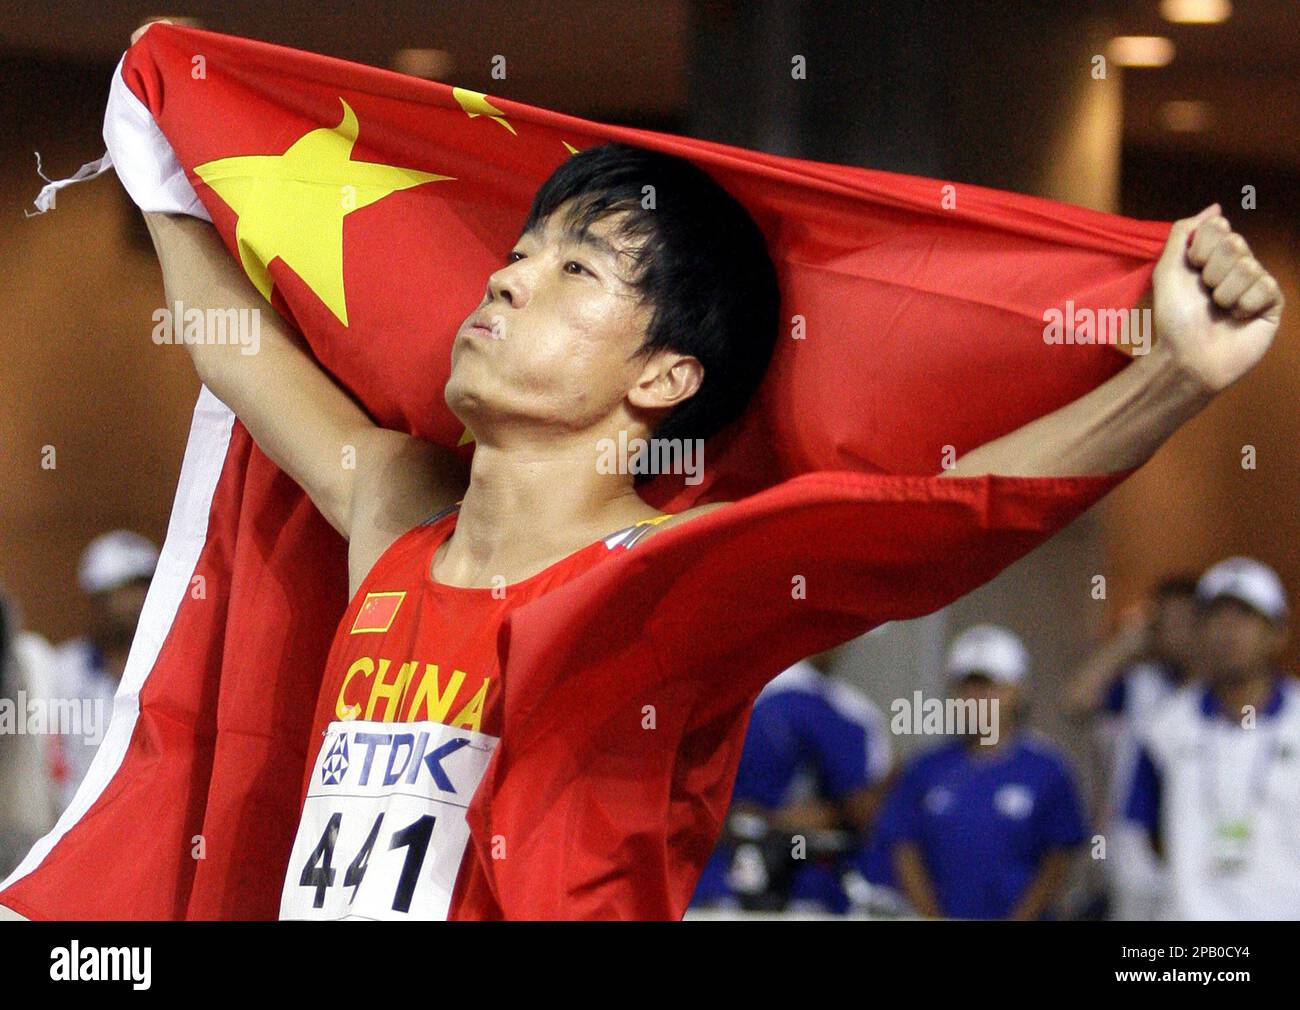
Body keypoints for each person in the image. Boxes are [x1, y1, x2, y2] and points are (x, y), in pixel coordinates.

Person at [102, 16, 1286, 921]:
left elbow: (942, 512)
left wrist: (1172, 374)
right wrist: (157, 144)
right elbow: (231, 348)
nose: (507, 280)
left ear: (664, 379)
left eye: (575, 272)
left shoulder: (666, 578)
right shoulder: (394, 515)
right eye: (517, 254)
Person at [866, 625, 1088, 919]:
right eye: (965, 687)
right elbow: (903, 845)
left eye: (987, 687)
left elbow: (1059, 857)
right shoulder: (926, 767)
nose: (975, 698)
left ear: (1016, 690)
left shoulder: (1047, 769)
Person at [1125, 557, 1300, 920]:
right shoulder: (1164, 727)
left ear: (1278, 632)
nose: (1228, 630)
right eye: (1215, 616)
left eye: (1245, 616)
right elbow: (1152, 837)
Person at [690, 656, 891, 913]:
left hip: (775, 886)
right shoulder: (837, 708)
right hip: (755, 886)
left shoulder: (717, 696)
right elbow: (865, 810)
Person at [1065, 575, 1198, 918]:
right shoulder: (1139, 684)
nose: (1177, 634)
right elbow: (1076, 701)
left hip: (1201, 860)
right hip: (1134, 861)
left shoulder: (1222, 695)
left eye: (1186, 623)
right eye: (1165, 624)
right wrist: (1127, 641)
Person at [38, 530, 158, 813]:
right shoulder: (59, 673)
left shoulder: (176, 671)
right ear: (96, 600)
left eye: (146, 586)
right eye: (126, 588)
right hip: (77, 829)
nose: (139, 599)